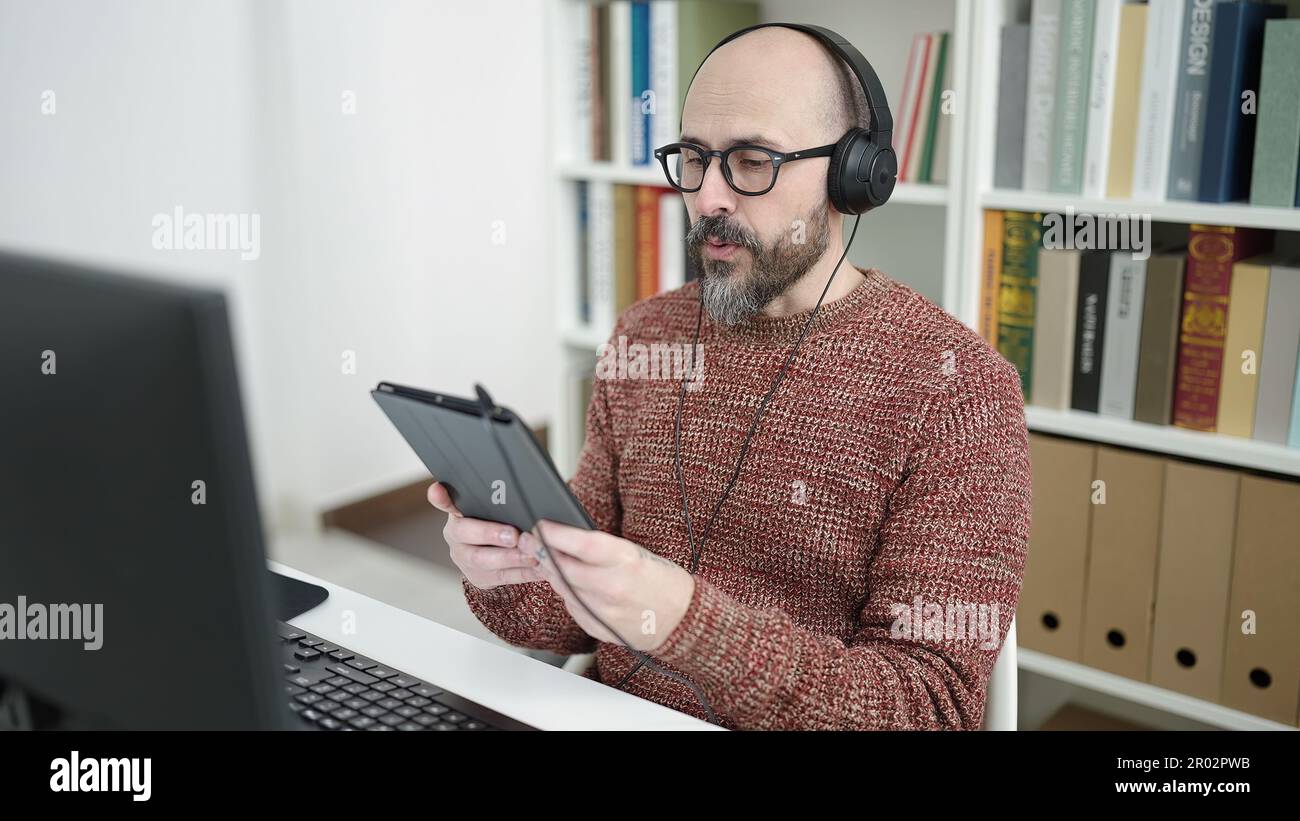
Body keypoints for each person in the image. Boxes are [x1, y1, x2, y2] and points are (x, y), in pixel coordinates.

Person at [429, 25, 1031, 730]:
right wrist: (505, 570)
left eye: (750, 160)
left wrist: (683, 618)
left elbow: (925, 707)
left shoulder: (956, 388)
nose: (709, 195)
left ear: (852, 176)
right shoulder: (643, 338)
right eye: (693, 157)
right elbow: (569, 623)